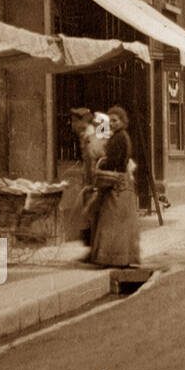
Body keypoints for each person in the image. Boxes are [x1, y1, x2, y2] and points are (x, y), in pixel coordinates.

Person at [89, 105, 141, 267]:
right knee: (120, 225)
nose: (112, 124)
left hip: (117, 186)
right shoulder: (120, 136)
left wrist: (103, 165)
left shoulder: (119, 138)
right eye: (109, 121)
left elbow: (114, 161)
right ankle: (122, 258)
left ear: (122, 121)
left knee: (113, 223)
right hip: (123, 184)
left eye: (115, 120)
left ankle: (113, 258)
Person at [67, 107, 107, 243]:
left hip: (95, 182)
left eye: (74, 121)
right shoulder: (85, 136)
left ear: (83, 122)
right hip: (90, 180)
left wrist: (91, 183)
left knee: (91, 214)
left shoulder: (91, 138)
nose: (72, 125)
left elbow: (96, 160)